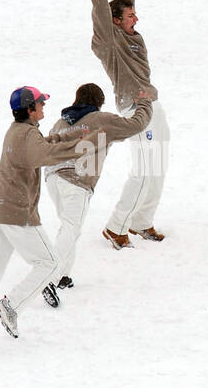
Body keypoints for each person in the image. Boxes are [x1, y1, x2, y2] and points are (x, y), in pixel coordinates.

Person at [0, 88, 90, 343]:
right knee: (51, 263)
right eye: (40, 104)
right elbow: (45, 154)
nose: (43, 107)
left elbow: (44, 145)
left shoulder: (17, 131)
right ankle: (10, 306)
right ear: (29, 109)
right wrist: (80, 147)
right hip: (15, 211)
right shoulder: (27, 134)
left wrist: (73, 136)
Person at [88, 0, 169, 248]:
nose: (136, 19)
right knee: (144, 168)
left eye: (135, 14)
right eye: (130, 15)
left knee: (159, 164)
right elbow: (99, 6)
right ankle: (115, 226)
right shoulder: (109, 42)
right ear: (116, 21)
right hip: (134, 108)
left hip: (152, 104)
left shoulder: (131, 34)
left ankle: (141, 220)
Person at [43, 84, 154, 297]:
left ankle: (63, 275)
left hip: (52, 178)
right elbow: (136, 124)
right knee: (71, 228)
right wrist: (144, 103)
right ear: (98, 103)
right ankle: (47, 277)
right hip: (76, 181)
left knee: (68, 227)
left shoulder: (60, 122)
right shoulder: (100, 119)